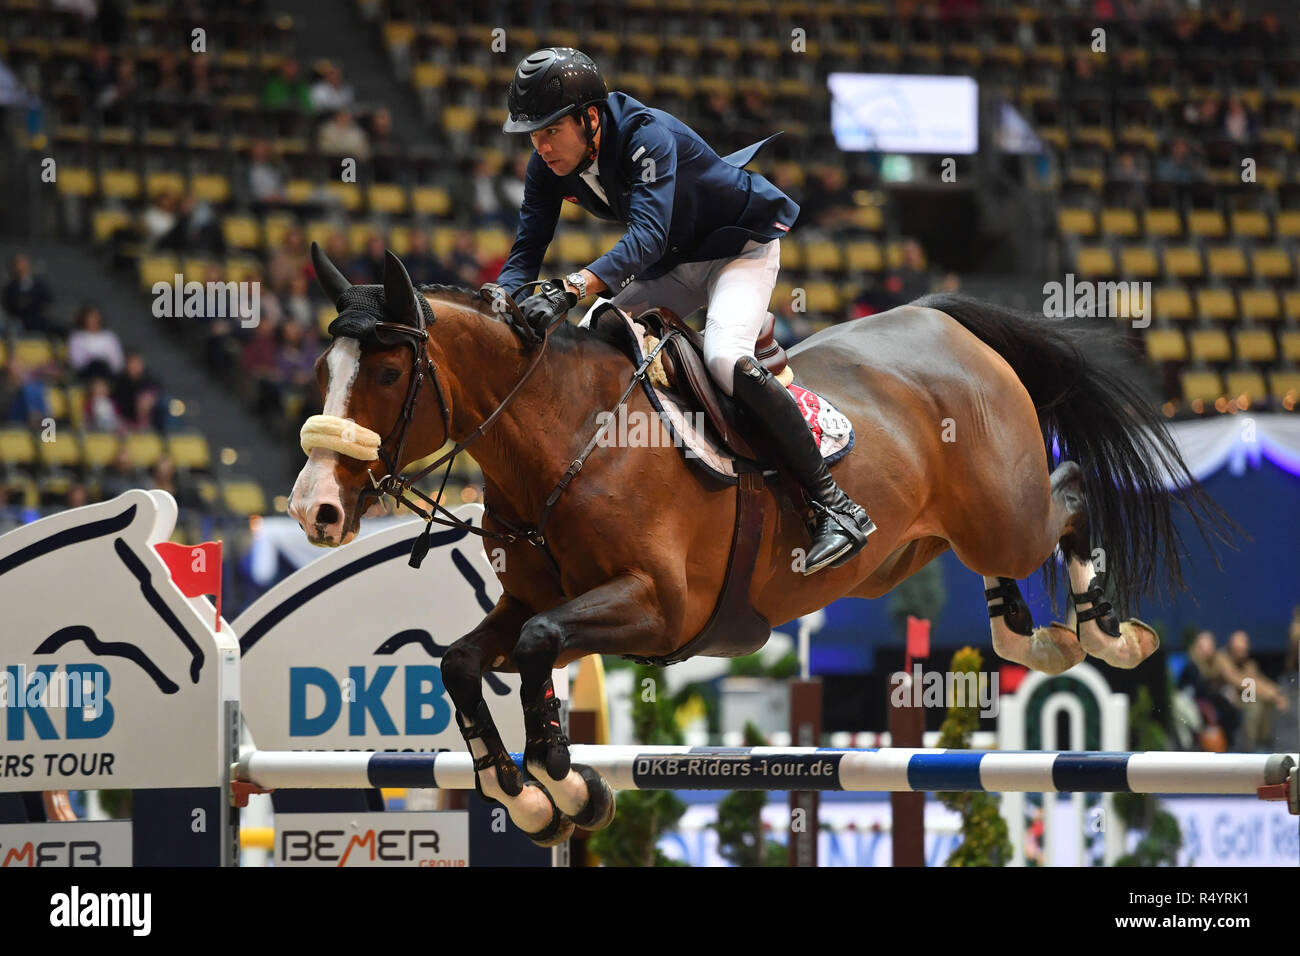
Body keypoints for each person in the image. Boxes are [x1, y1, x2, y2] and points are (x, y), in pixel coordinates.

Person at [496, 48, 874, 573]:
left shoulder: (645, 135)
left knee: (723, 357)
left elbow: (646, 236)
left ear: (590, 117)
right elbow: (526, 248)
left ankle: (835, 506)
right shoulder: (549, 163)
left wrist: (575, 284)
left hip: (737, 250)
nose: (540, 146)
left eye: (549, 131)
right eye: (531, 135)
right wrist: (499, 303)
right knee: (588, 338)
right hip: (673, 263)